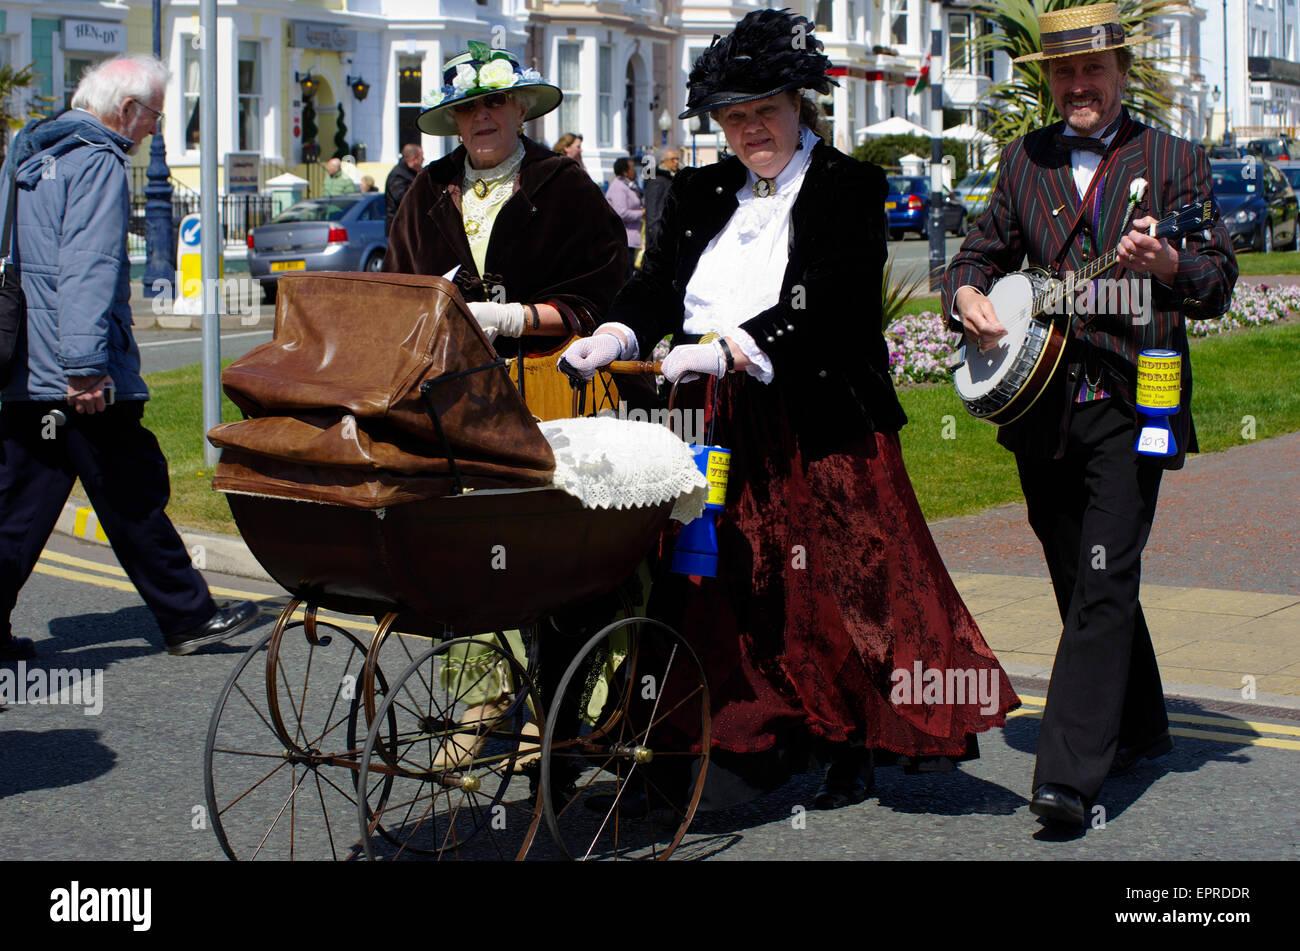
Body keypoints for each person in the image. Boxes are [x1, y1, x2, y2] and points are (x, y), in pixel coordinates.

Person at [562, 9, 1019, 810]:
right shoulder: (699, 190)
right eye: (734, 118)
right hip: (706, 415)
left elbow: (834, 308)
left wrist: (733, 345)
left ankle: (851, 731)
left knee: (844, 583)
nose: (750, 130)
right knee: (717, 574)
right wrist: (616, 329)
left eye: (764, 111)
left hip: (816, 413)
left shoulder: (847, 187)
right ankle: (731, 731)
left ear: (797, 104)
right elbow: (657, 282)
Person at [942, 2, 1237, 827]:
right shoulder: (1022, 159)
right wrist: (965, 292)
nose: (1079, 85)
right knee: (1078, 570)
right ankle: (1140, 719)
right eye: (1064, 73)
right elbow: (979, 251)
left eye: (1093, 70)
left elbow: (1216, 278)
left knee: (1105, 570)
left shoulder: (1174, 160)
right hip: (1037, 400)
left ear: (1120, 73)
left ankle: (1067, 775)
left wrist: (1170, 261)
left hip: (1135, 393)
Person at [385, 44, 627, 769]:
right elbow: (399, 290)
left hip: (555, 386)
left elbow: (607, 289)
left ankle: (562, 705)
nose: (483, 117)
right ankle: (484, 700)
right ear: (454, 120)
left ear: (521, 109)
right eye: (469, 106)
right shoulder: (426, 189)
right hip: (456, 396)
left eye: (495, 103)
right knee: (465, 543)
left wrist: (519, 318)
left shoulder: (564, 184)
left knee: (543, 544)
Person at [0, 55, 258, 662]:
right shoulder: (96, 160)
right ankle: (189, 617)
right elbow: (88, 268)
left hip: (28, 365)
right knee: (130, 491)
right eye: (154, 117)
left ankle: (185, 613)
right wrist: (86, 367)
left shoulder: (31, 154)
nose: (152, 131)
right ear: (126, 110)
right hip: (77, 371)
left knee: (19, 505)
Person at [605, 156, 644, 277]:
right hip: (624, 238)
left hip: (633, 237)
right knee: (626, 273)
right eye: (632, 169)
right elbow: (621, 213)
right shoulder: (618, 187)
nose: (635, 172)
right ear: (625, 171)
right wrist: (642, 213)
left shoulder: (631, 185)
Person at [642, 146, 680, 249]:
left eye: (677, 159)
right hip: (660, 238)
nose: (676, 162)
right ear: (663, 162)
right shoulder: (657, 181)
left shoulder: (672, 179)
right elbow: (652, 211)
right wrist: (659, 238)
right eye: (673, 159)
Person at [384, 143, 423, 235]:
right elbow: (402, 198)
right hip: (400, 228)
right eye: (422, 159)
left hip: (411, 226)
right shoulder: (398, 175)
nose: (422, 163)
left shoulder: (411, 173)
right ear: (414, 159)